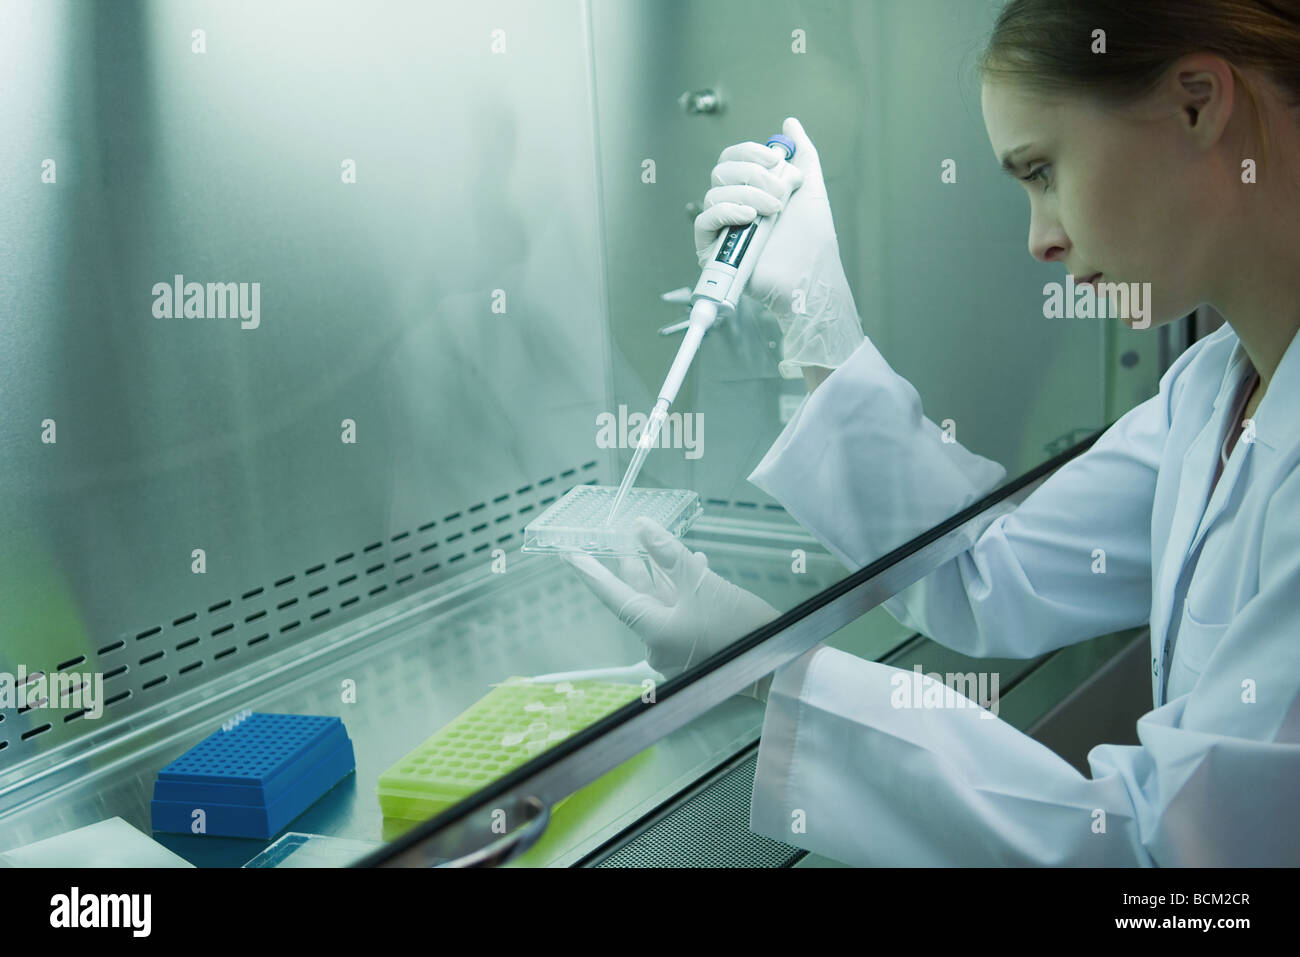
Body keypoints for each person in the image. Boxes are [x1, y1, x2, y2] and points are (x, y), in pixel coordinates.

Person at [564, 0, 1300, 865]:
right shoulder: (1214, 389)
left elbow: (1164, 866)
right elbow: (995, 571)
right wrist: (816, 315)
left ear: (1195, 105)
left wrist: (772, 681)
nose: (1039, 240)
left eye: (1042, 171)